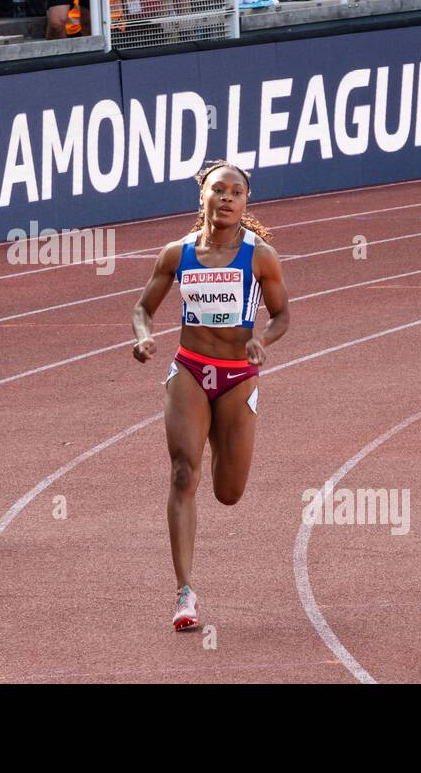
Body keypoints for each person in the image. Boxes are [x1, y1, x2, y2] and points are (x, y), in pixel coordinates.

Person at [131, 160, 290, 631]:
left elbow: (282, 315)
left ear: (245, 203)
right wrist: (143, 336)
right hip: (189, 369)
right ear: (202, 195)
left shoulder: (260, 256)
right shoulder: (176, 254)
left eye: (235, 192)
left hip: (238, 376)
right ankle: (184, 593)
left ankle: (223, 434)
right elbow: (143, 307)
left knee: (229, 492)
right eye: (217, 190)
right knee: (183, 474)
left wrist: (265, 339)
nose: (226, 198)